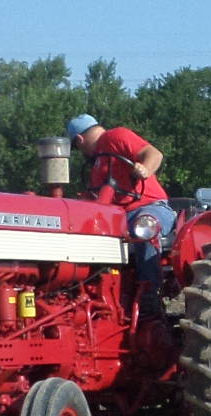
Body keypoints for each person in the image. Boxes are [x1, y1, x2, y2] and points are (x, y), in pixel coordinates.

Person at [68, 113, 174, 298]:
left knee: (144, 227)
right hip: (121, 216)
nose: (82, 153)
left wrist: (145, 168)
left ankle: (150, 295)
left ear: (80, 139)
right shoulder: (96, 166)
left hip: (150, 207)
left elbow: (154, 154)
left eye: (78, 148)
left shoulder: (116, 136)